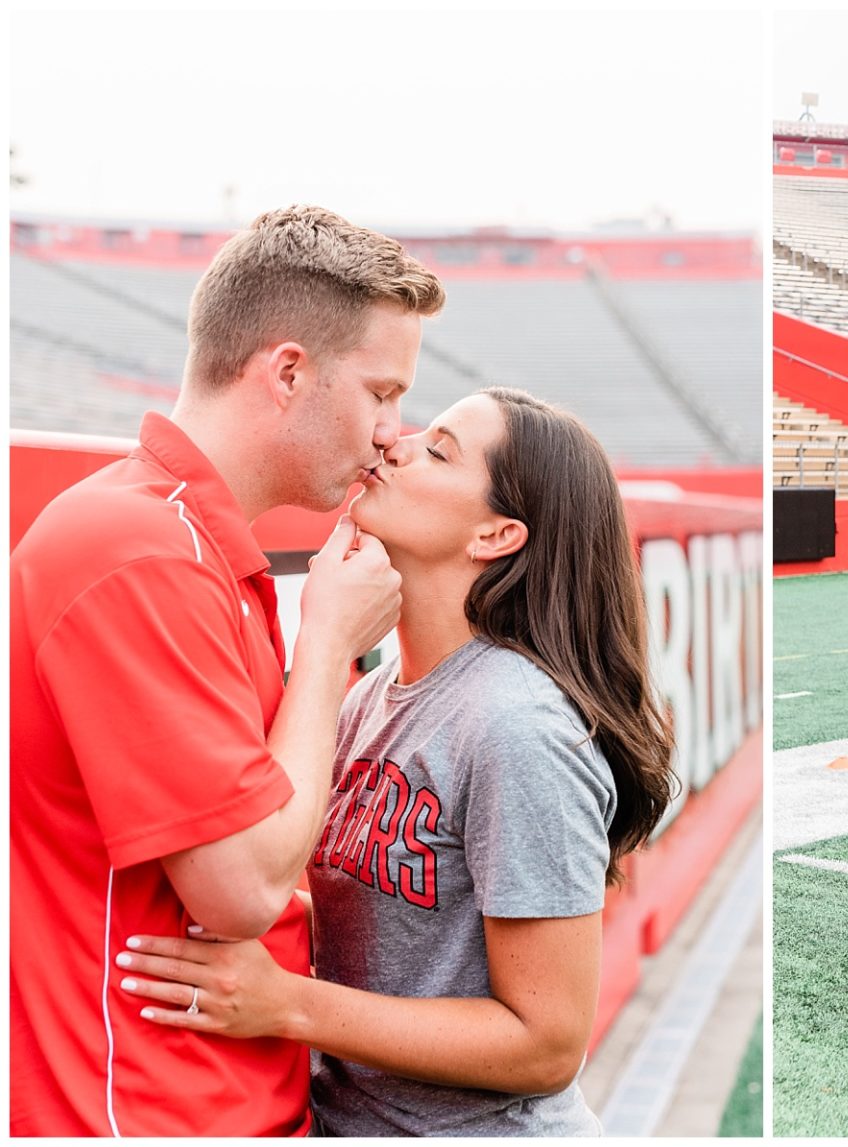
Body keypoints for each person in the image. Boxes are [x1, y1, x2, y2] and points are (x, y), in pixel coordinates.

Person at [111, 388, 678, 1135]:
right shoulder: (369, 694)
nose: (393, 445)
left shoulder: (519, 724)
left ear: (496, 534)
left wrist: (285, 1003)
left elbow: (548, 1043)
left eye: (437, 449)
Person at [10, 205, 443, 1136]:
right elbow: (243, 888)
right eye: (380, 392)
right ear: (287, 371)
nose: (391, 433)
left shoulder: (187, 541)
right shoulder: (142, 552)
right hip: (142, 1111)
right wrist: (329, 643)